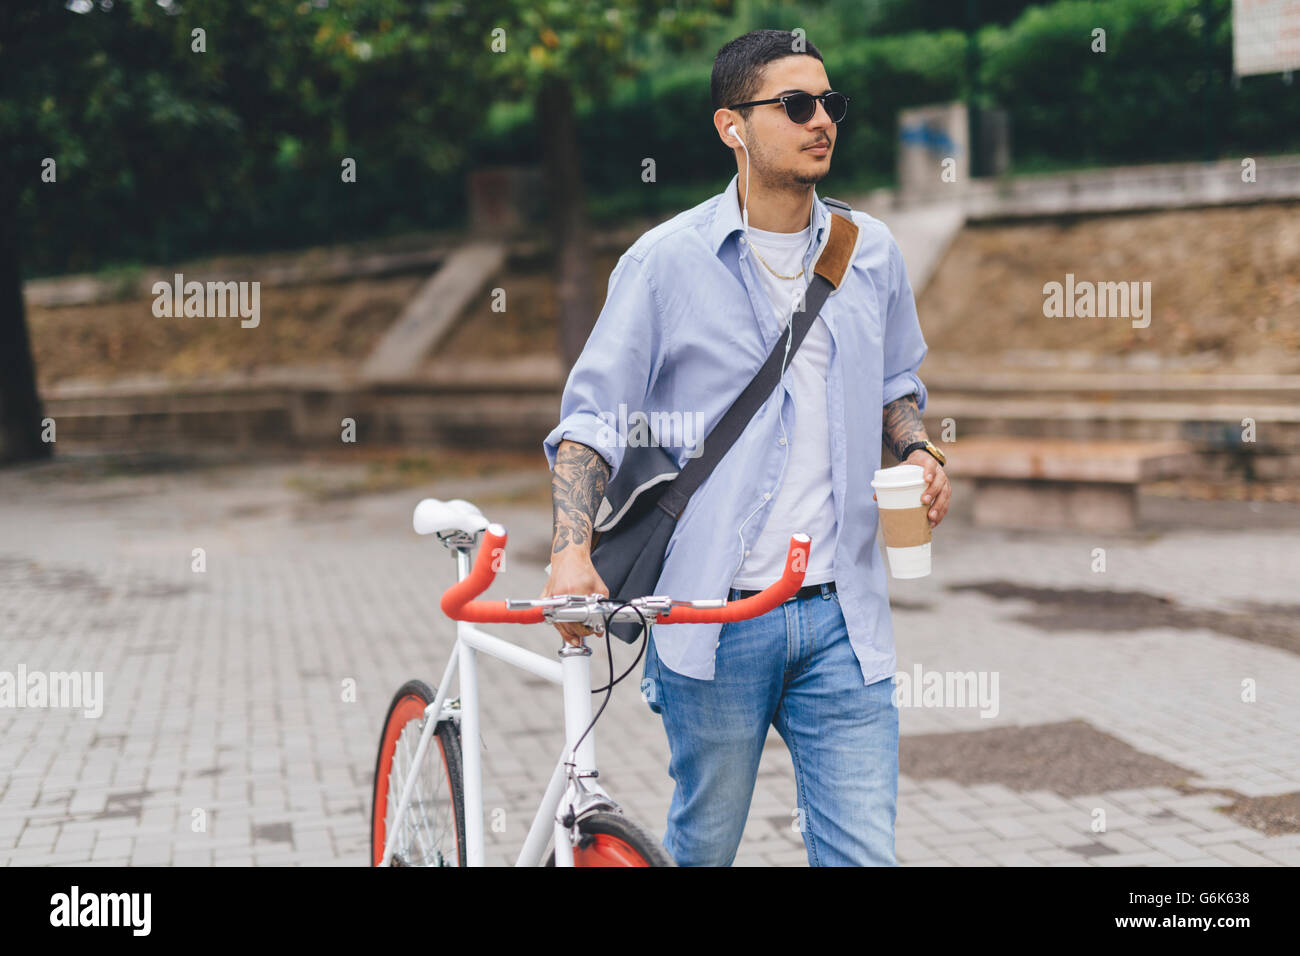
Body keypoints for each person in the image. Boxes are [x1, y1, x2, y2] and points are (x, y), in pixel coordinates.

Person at [541, 29, 951, 867]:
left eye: (829, 104)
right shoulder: (664, 263)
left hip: (844, 616)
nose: (820, 121)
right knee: (706, 848)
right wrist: (570, 549)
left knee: (865, 855)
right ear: (733, 126)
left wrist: (917, 454)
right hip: (714, 619)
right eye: (795, 105)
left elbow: (896, 383)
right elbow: (593, 419)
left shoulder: (869, 253)